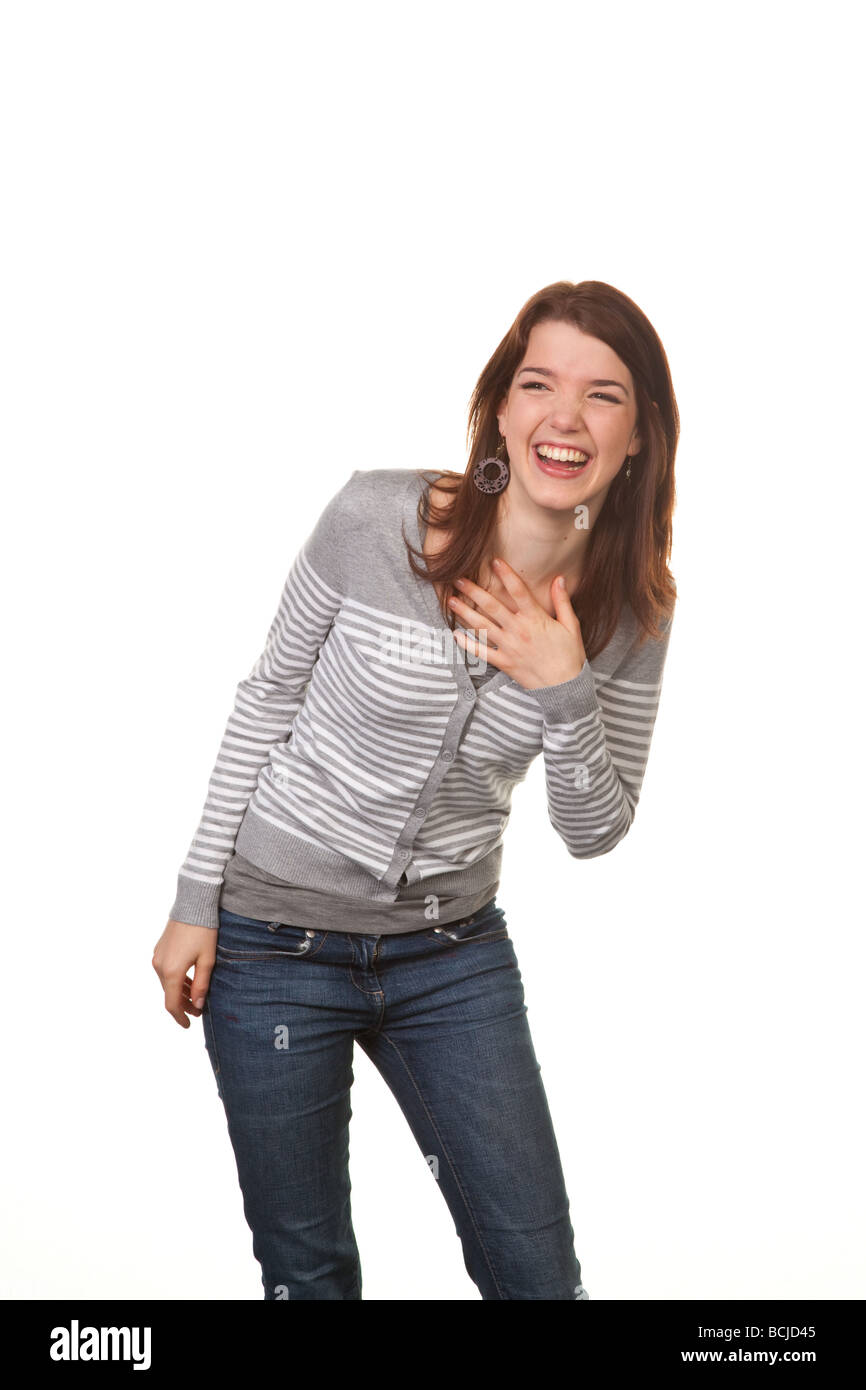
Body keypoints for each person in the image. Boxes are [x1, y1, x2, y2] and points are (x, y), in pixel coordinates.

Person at [152, 278, 678, 1300]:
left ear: (638, 435)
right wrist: (190, 902)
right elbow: (266, 700)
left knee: (535, 1273)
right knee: (309, 1276)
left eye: (601, 395)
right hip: (270, 945)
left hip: (452, 954)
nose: (562, 416)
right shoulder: (374, 518)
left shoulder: (630, 611)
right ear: (500, 405)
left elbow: (595, 830)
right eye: (537, 384)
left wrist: (563, 685)